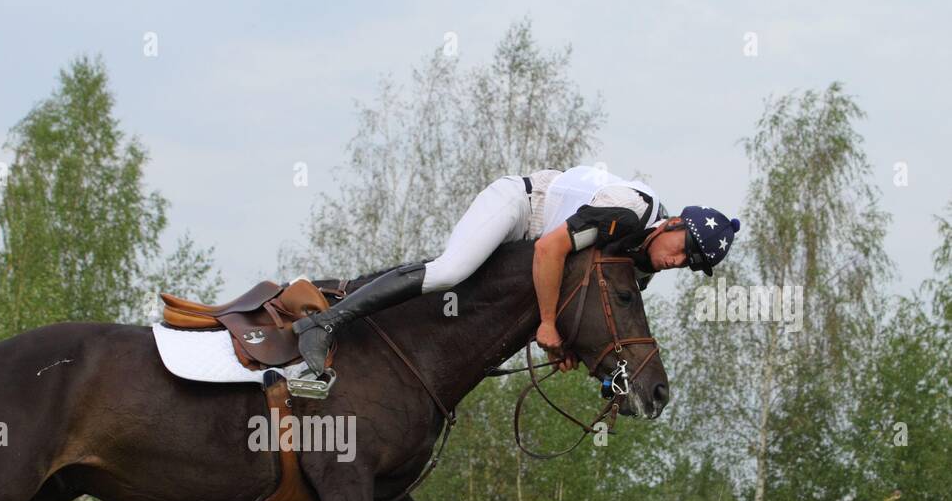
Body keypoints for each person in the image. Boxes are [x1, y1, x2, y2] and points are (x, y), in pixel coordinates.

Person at [292, 165, 740, 376]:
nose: (677, 262)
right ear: (675, 222)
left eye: (689, 264)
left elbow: (578, 304)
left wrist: (559, 343)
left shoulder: (641, 265)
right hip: (519, 208)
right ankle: (323, 322)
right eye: (684, 250)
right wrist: (547, 324)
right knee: (450, 273)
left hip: (534, 247)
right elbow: (549, 250)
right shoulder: (632, 212)